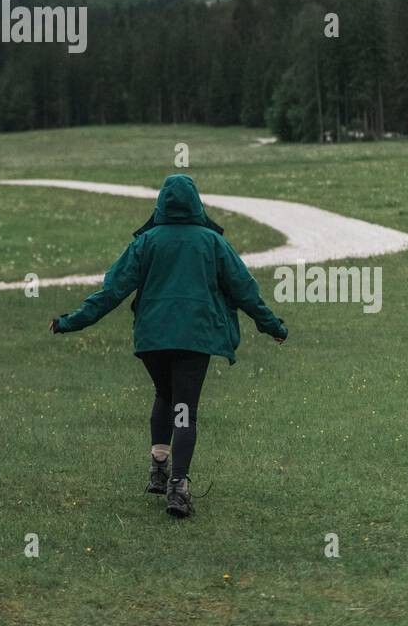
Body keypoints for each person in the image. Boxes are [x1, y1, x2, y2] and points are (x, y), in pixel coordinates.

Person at [49, 174, 287, 517]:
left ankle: (158, 468)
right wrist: (272, 326)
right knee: (184, 409)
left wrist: (70, 321)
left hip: (153, 339)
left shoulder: (146, 242)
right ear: (196, 203)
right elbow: (244, 290)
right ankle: (178, 486)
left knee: (165, 394)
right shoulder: (212, 243)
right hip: (195, 336)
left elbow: (112, 292)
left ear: (161, 203)